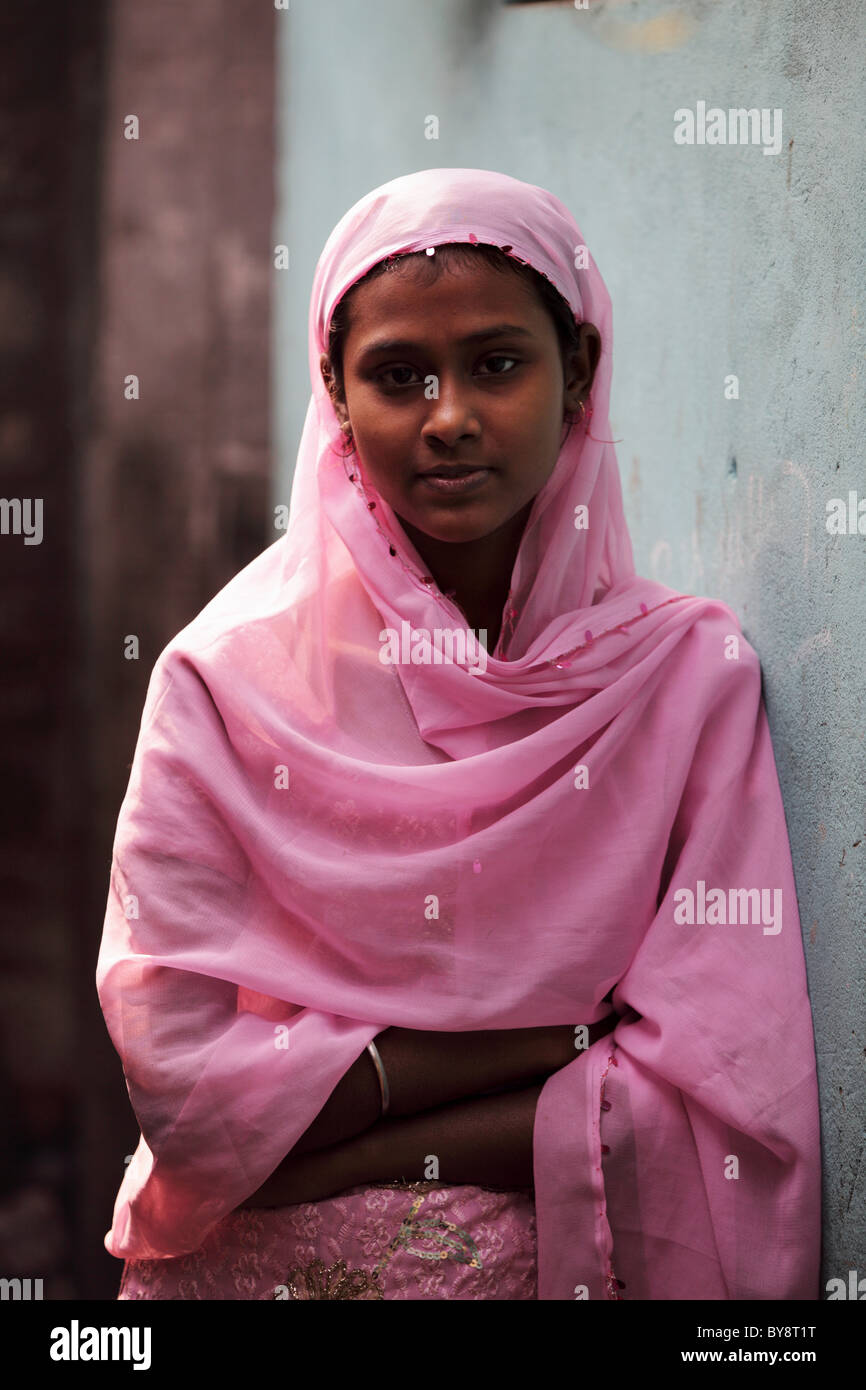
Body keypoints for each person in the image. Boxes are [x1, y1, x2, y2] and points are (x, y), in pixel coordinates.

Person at [97, 167, 821, 1300]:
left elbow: (716, 1090)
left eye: (495, 362)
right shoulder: (224, 683)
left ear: (577, 371)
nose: (448, 416)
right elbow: (186, 1095)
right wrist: (554, 1044)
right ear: (333, 396)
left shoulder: (682, 684)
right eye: (396, 375)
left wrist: (346, 1124)